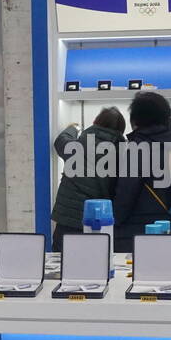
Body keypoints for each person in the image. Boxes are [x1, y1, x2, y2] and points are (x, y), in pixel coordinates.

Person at [111, 91, 171, 252]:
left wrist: (112, 221)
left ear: (135, 120)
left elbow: (125, 195)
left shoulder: (138, 150)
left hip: (137, 235)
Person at [50, 107, 126, 252]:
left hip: (68, 221)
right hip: (99, 222)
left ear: (95, 122)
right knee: (96, 266)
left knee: (63, 266)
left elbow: (60, 140)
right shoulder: (121, 154)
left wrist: (74, 127)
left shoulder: (78, 145)